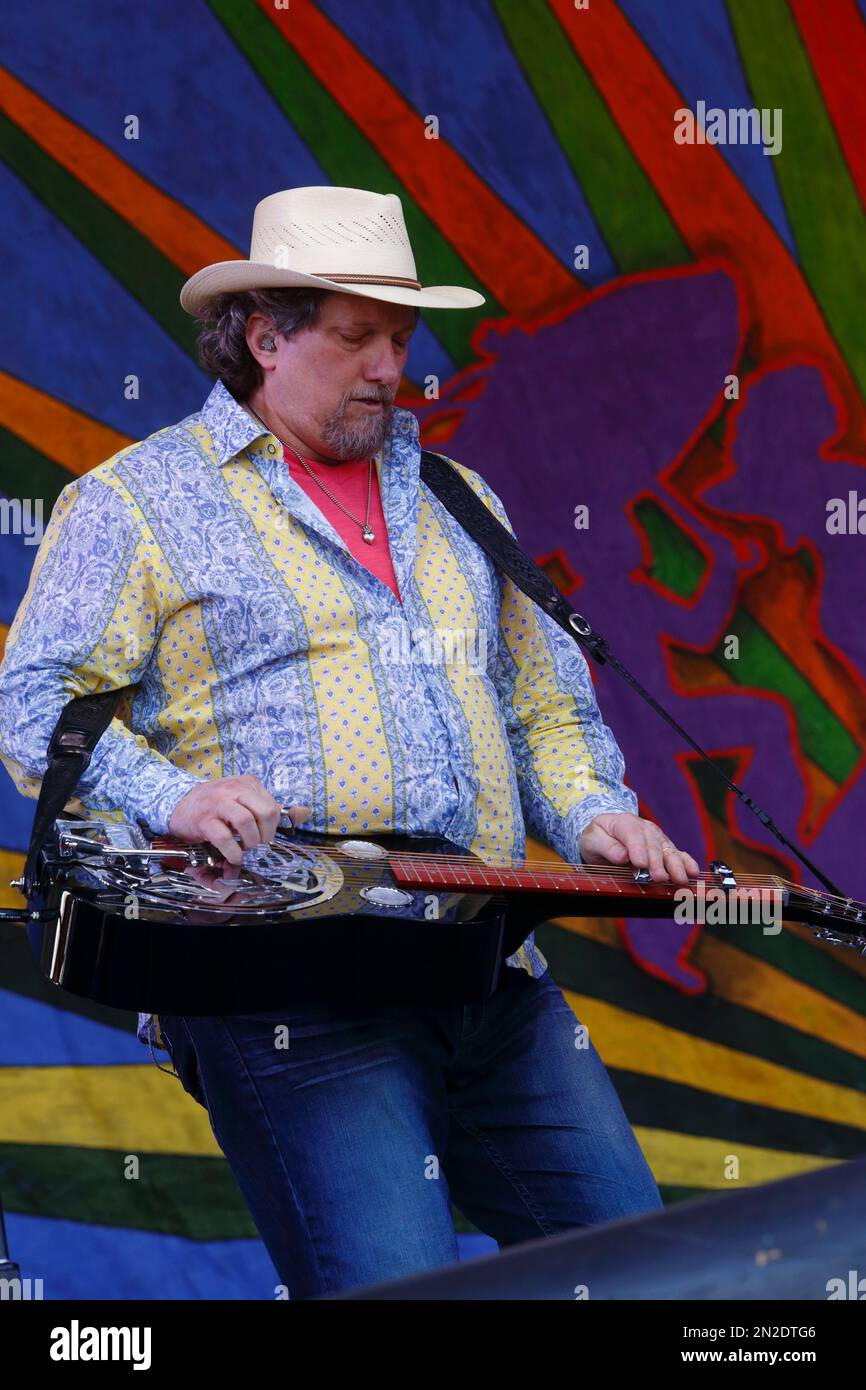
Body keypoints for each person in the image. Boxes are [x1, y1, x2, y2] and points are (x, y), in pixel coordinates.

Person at [0, 185, 699, 1298]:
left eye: (400, 336)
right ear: (266, 338)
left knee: (654, 1283)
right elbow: (34, 702)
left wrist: (592, 811)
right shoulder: (137, 501)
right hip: (289, 996)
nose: (389, 365)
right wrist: (171, 795)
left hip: (490, 970)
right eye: (356, 335)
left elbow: (543, 709)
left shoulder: (459, 500)